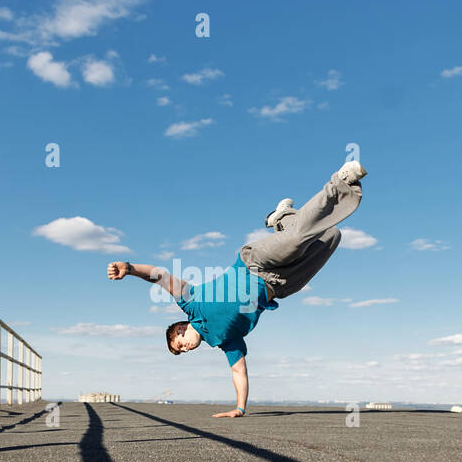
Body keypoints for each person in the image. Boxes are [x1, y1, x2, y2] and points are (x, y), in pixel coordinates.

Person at [106, 160, 366, 418]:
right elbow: (238, 371)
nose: (184, 349)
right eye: (181, 352)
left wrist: (129, 268)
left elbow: (160, 275)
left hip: (254, 263)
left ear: (181, 328)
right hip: (281, 285)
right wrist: (240, 408)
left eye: (179, 344)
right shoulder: (225, 342)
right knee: (331, 236)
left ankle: (341, 182)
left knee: (296, 240)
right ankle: (282, 218)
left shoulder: (191, 304)